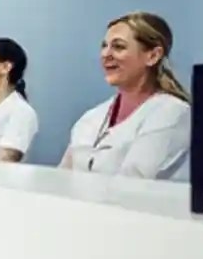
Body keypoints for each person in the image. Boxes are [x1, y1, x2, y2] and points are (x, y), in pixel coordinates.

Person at [60, 12, 191, 180]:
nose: (106, 54)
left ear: (153, 56)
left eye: (118, 47)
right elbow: (61, 179)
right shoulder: (91, 118)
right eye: (104, 46)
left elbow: (134, 183)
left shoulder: (172, 113)